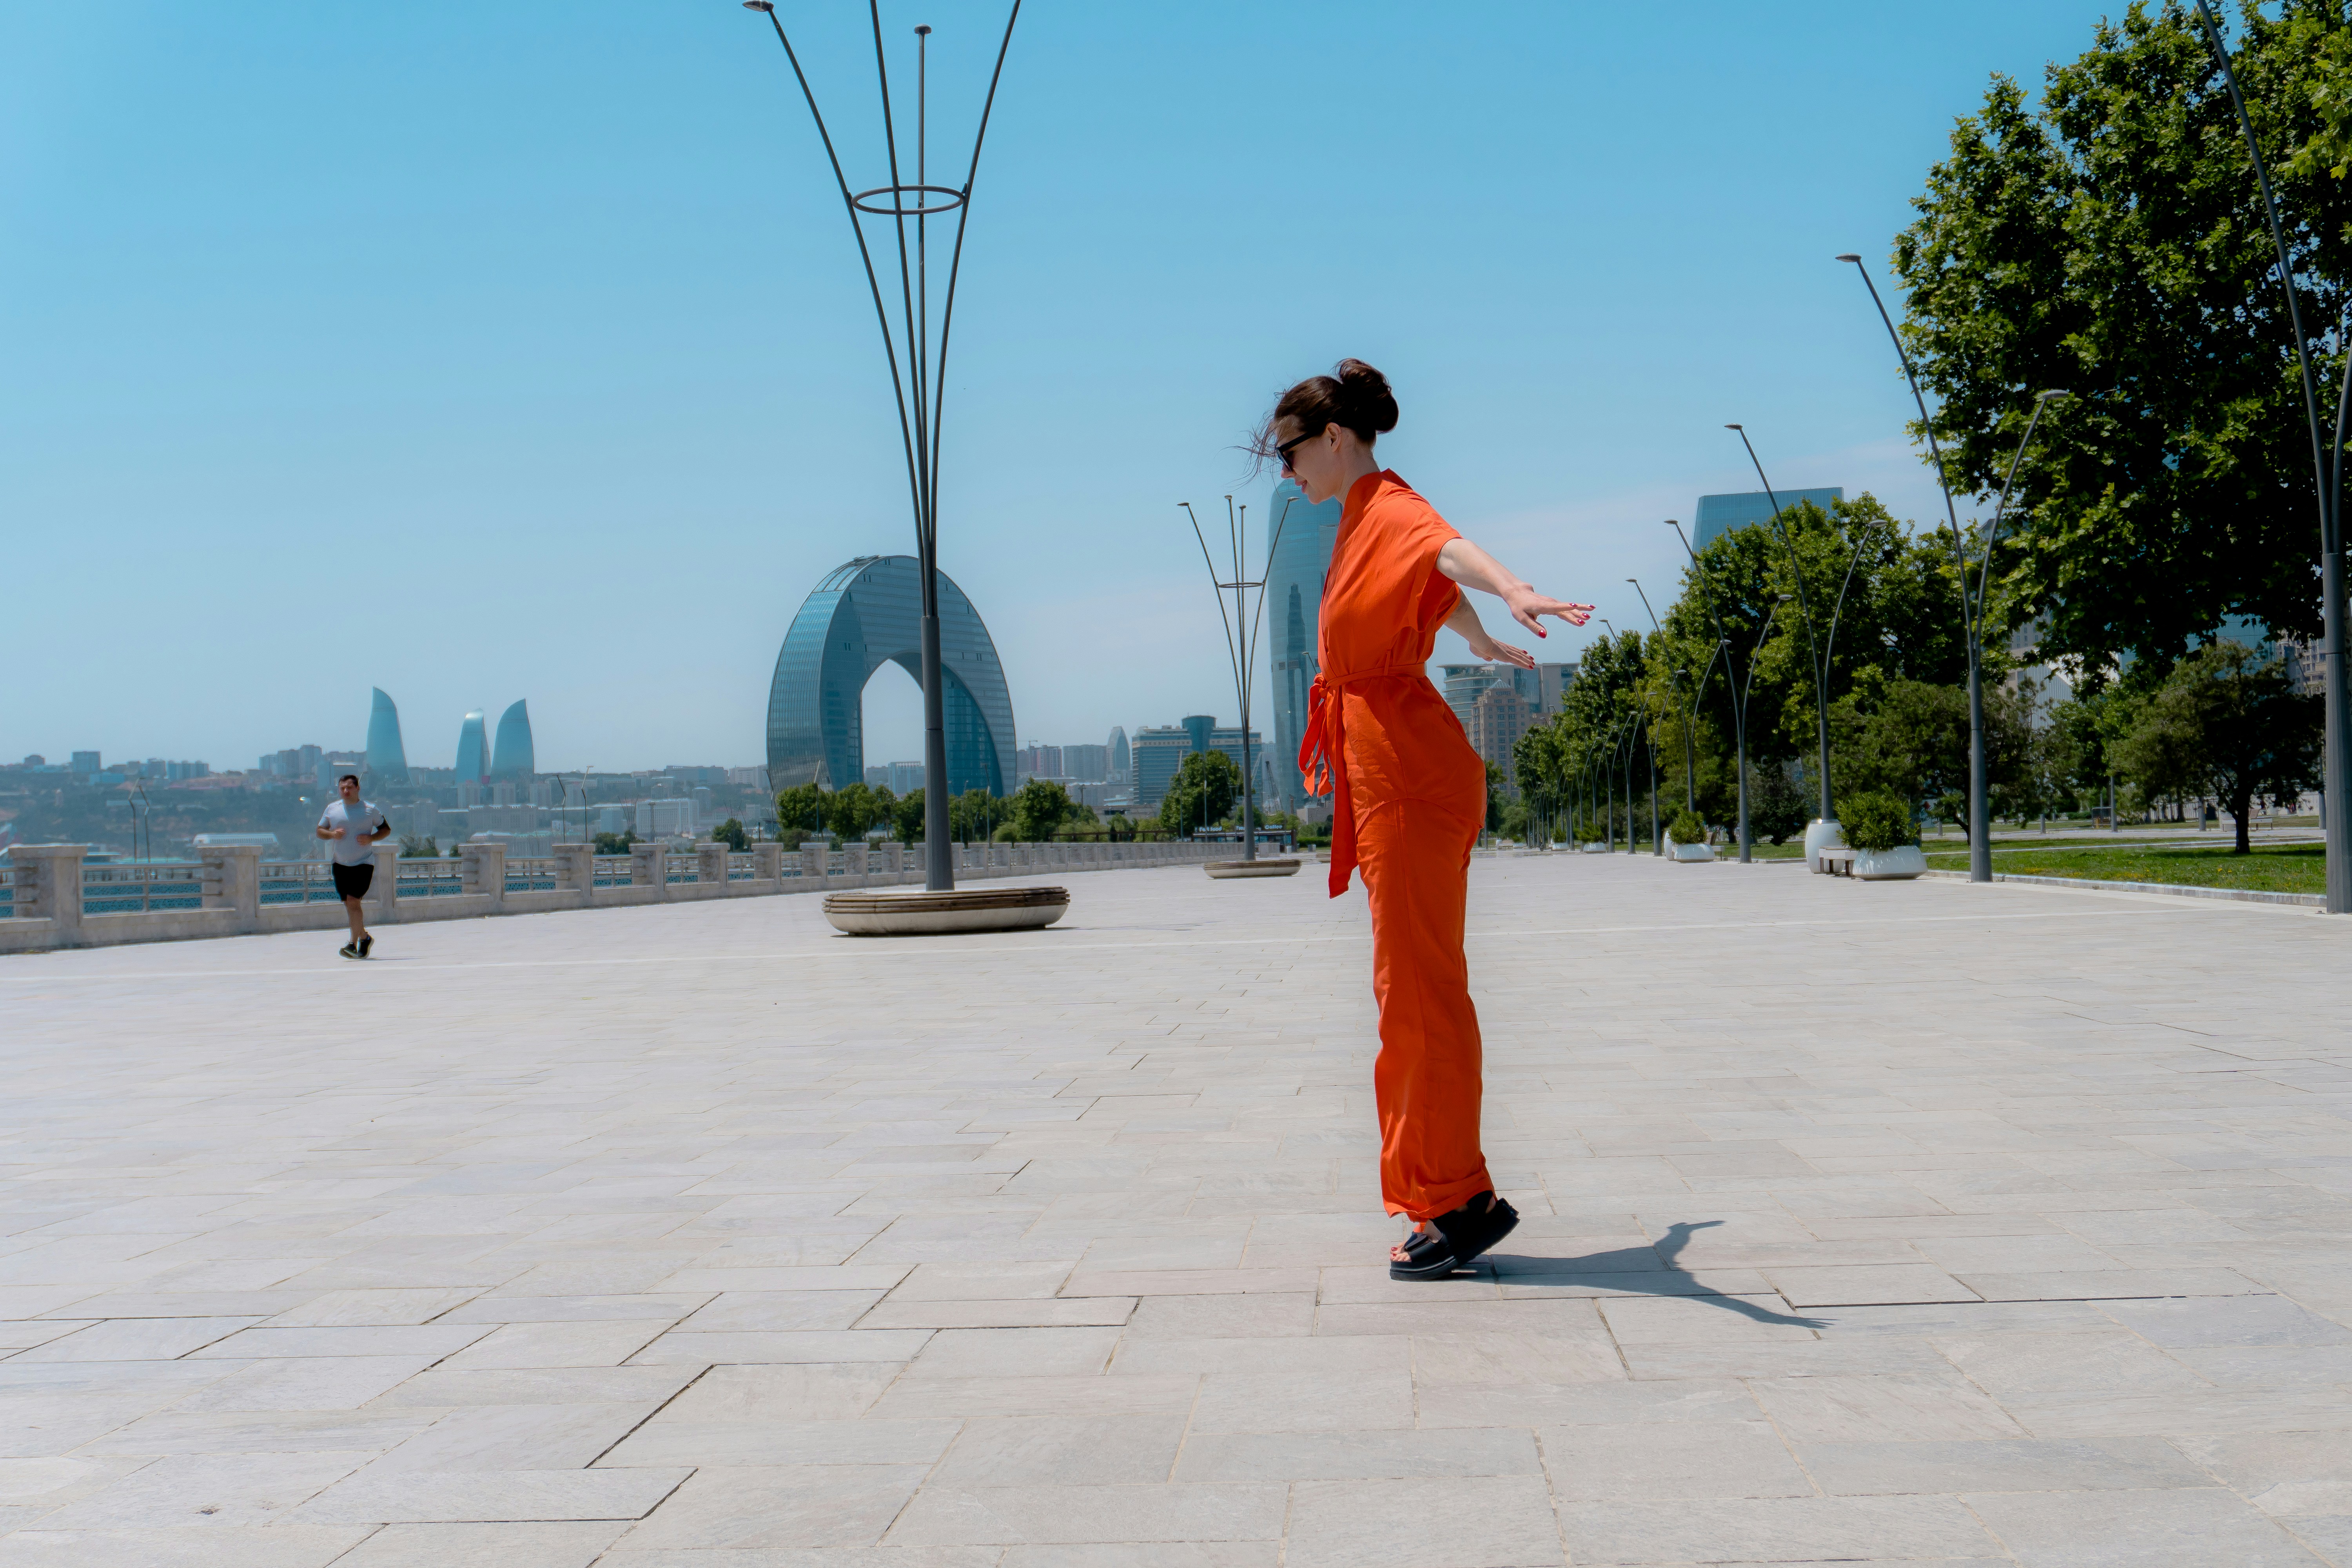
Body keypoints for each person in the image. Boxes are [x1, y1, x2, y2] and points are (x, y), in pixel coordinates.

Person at [1269, 359, 1592, 1280]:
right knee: (1406, 992)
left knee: (1418, 995)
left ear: (1334, 438)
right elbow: (1423, 591)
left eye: (1290, 453)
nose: (1285, 472)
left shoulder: (1393, 508)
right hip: (1389, 777)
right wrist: (1477, 636)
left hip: (1407, 779)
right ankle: (1441, 1191)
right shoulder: (1358, 522)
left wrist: (1513, 590)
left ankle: (1458, 1197)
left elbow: (1447, 552)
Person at [316, 773, 390, 959]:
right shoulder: (332, 809)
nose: (346, 792)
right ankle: (364, 938)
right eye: (342, 788)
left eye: (349, 788)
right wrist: (332, 834)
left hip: (363, 863)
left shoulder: (370, 810)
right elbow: (320, 831)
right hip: (340, 864)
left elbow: (386, 830)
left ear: (358, 789)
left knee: (353, 902)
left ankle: (352, 943)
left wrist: (371, 838)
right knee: (350, 906)